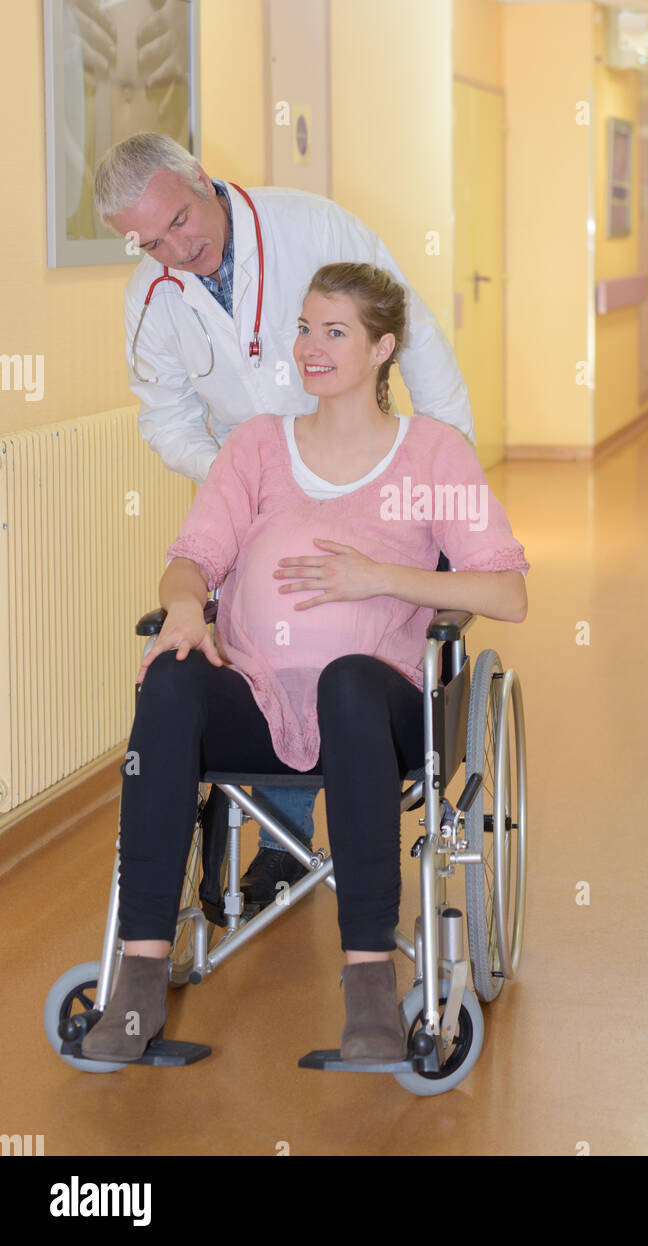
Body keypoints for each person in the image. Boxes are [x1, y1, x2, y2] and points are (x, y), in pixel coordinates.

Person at [81, 262, 528, 1064]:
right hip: (254, 695)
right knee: (172, 672)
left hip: (374, 711)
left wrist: (378, 577)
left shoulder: (434, 453)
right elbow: (193, 558)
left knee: (347, 680)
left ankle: (368, 991)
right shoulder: (256, 446)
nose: (309, 348)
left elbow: (506, 593)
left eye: (334, 332)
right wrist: (186, 605)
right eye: (302, 327)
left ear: (382, 347)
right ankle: (139, 976)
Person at [93, 133, 476, 902]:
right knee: (260, 633)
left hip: (365, 475)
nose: (176, 248)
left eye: (179, 220)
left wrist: (449, 460)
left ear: (201, 177)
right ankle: (281, 834)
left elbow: (416, 331)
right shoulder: (151, 295)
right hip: (257, 496)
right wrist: (248, 478)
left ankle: (298, 829)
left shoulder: (311, 224)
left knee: (339, 636)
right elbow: (164, 418)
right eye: (150, 241)